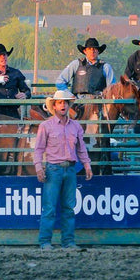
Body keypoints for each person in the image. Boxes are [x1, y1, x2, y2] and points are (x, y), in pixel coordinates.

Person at [34, 90, 93, 250]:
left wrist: (87, 164)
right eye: (60, 102)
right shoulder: (46, 126)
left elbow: (81, 149)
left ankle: (68, 242)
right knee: (50, 208)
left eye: (65, 102)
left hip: (70, 169)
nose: (63, 105)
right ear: (54, 106)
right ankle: (45, 241)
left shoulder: (76, 126)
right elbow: (38, 149)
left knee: (68, 208)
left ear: (68, 105)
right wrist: (39, 167)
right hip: (53, 169)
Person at [56, 37, 115, 116]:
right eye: (89, 49)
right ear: (85, 51)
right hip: (78, 103)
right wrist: (70, 96)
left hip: (98, 104)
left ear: (98, 51)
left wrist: (104, 99)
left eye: (95, 49)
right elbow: (60, 82)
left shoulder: (106, 67)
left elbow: (112, 88)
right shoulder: (76, 64)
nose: (92, 51)